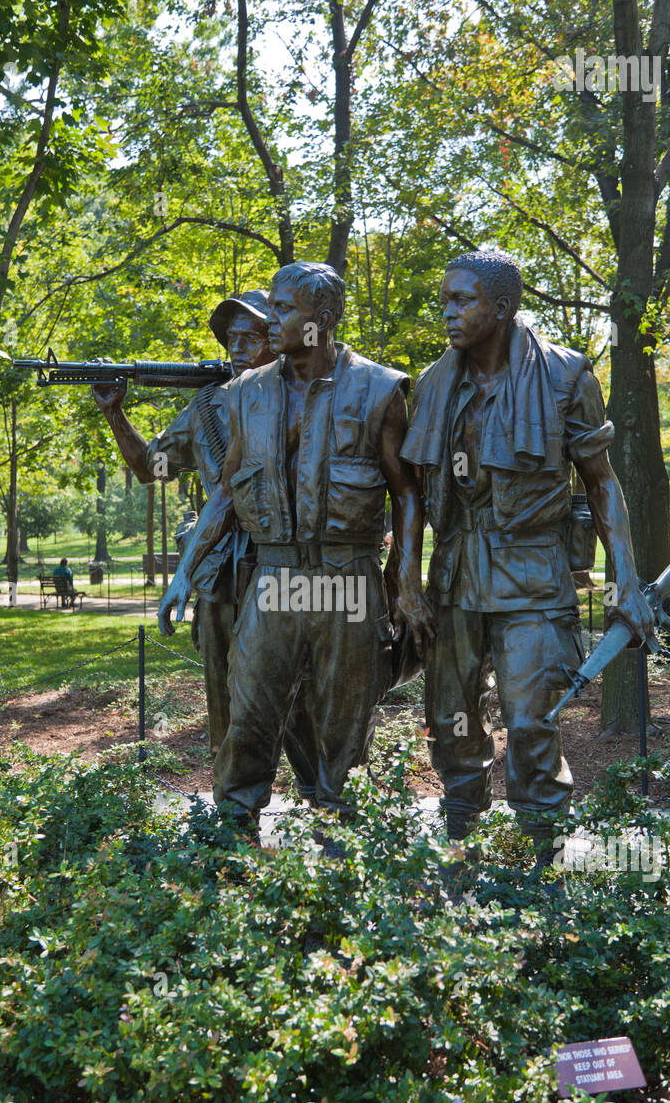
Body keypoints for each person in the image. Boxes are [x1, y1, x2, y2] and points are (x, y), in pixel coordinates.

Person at [159, 260, 435, 831]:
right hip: (275, 576)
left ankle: (341, 851)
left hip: (347, 577)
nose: (272, 321)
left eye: (284, 309)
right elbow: (229, 491)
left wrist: (406, 580)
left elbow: (408, 493)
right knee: (251, 713)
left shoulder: (379, 389)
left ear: (323, 319)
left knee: (343, 723)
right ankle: (233, 840)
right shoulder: (245, 394)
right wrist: (186, 569)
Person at [401, 249, 655, 868]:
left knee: (531, 716)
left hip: (533, 571)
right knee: (450, 714)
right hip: (456, 571)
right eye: (445, 301)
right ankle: (459, 831)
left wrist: (628, 577)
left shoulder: (566, 376)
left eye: (463, 301)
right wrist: (405, 576)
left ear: (502, 307)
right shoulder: (436, 384)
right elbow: (409, 489)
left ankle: (541, 855)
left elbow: (601, 483)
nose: (449, 314)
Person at [92, 293, 318, 795]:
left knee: (299, 687)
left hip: (287, 565)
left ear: (275, 341)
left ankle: (321, 799)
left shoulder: (306, 396)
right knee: (224, 689)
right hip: (222, 572)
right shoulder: (208, 407)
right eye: (230, 338)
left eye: (250, 338)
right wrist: (116, 415)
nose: (238, 348)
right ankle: (233, 810)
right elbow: (151, 468)